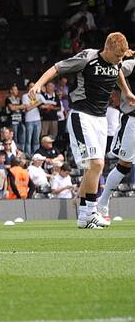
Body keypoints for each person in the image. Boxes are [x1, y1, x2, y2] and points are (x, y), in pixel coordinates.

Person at [29, 32, 129, 228]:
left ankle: (84, 217)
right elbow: (57, 68)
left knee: (92, 168)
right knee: (97, 164)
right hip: (82, 116)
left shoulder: (116, 61)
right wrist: (39, 84)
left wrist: (126, 91)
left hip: (100, 120)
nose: (119, 60)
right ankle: (91, 211)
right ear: (107, 49)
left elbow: (117, 71)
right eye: (117, 56)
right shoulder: (88, 57)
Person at [96, 51, 135, 220]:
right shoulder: (132, 64)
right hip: (133, 119)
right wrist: (126, 91)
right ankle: (102, 203)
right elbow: (115, 68)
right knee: (124, 164)